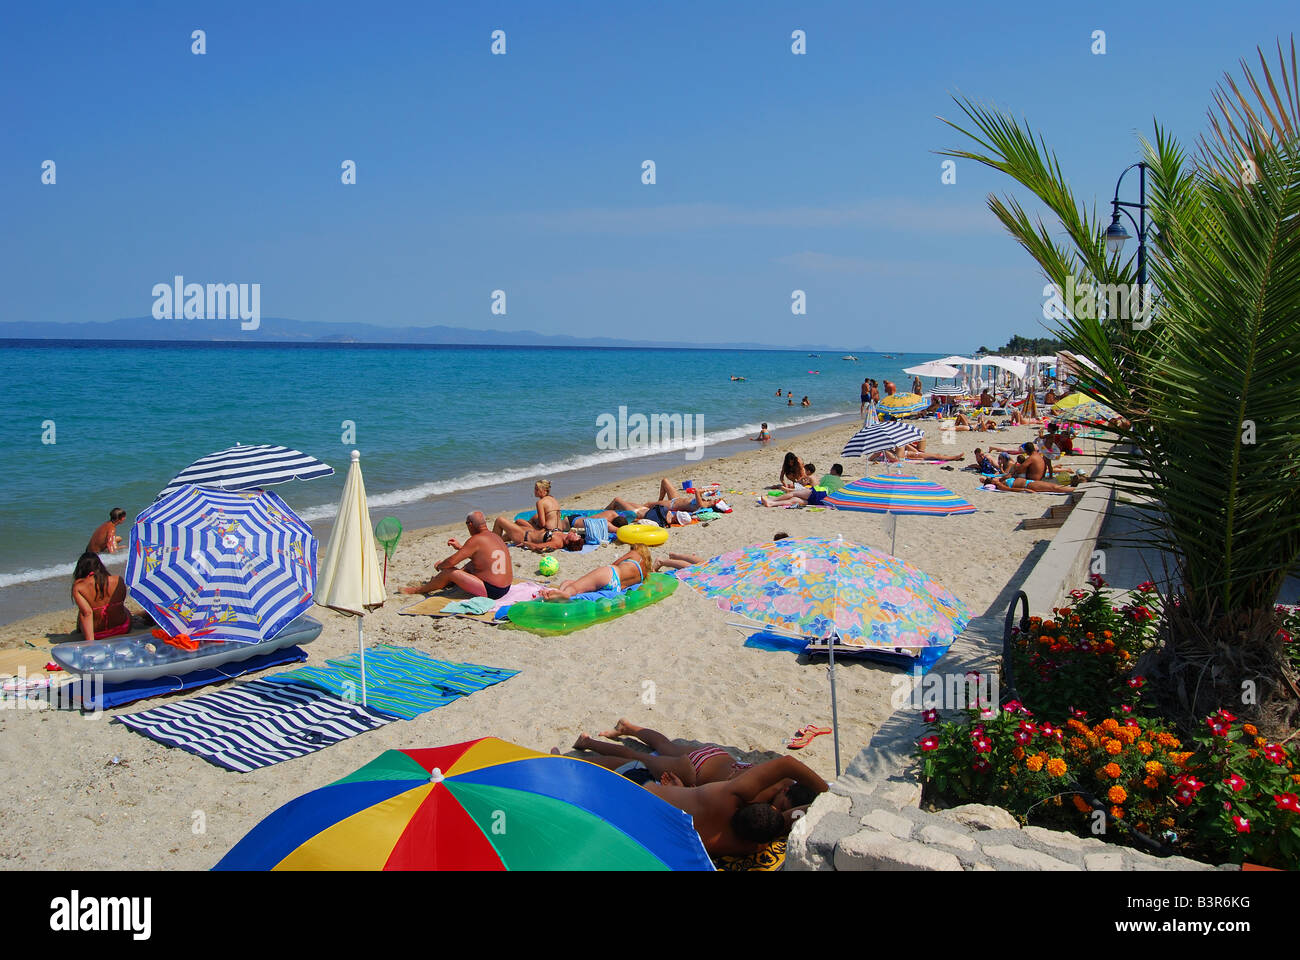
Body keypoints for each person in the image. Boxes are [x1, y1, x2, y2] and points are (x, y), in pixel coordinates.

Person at [643, 756, 829, 857]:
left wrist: (827, 793)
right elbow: (787, 819)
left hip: (640, 790)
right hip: (644, 824)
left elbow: (788, 763)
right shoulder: (736, 846)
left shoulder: (727, 796)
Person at [402, 511, 513, 599]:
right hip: (506, 587)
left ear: (470, 524)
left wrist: (440, 566)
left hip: (493, 591)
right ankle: (447, 582)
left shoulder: (476, 540)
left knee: (449, 572)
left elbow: (451, 562)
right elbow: (483, 556)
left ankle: (417, 590)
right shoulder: (495, 536)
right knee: (471, 564)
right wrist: (460, 547)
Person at [542, 543, 650, 600]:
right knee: (568, 583)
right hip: (615, 588)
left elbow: (614, 564)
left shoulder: (635, 554)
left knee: (574, 587)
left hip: (611, 573)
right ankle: (561, 593)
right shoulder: (643, 574)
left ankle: (564, 594)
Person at [71, 552, 131, 642]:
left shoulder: (79, 587)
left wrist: (90, 642)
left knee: (82, 613)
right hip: (122, 629)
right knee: (122, 608)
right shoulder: (118, 580)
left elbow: (87, 613)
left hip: (97, 634)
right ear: (100, 565)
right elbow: (121, 602)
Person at [493, 480, 561, 539]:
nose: (535, 491)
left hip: (548, 531)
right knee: (519, 521)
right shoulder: (553, 499)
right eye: (535, 489)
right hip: (558, 530)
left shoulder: (540, 502)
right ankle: (501, 539)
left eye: (537, 489)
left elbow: (542, 524)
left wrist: (536, 523)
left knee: (518, 529)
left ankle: (498, 540)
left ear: (544, 491)